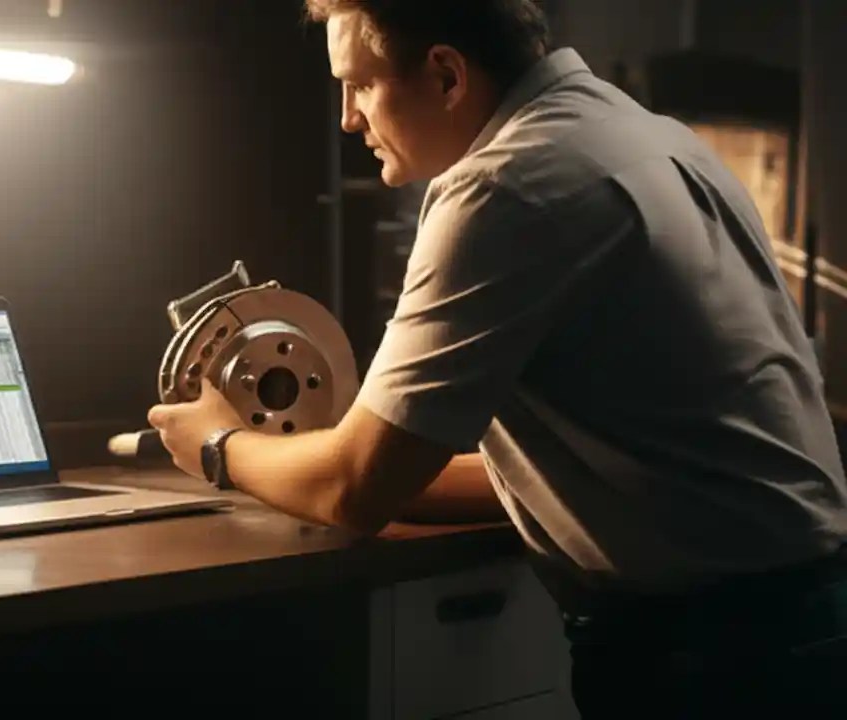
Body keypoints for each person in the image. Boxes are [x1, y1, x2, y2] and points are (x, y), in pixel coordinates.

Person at [146, 0, 847, 716]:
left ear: (447, 76)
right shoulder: (653, 137)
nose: (348, 118)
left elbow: (354, 491)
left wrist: (217, 446)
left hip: (711, 659)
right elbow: (627, 462)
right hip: (802, 619)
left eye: (358, 84)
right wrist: (351, 461)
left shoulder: (504, 185)